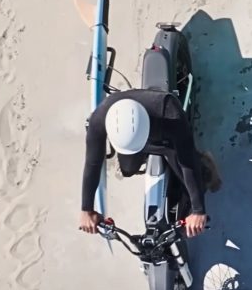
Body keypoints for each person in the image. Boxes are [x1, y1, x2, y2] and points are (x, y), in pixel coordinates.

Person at [78, 89, 220, 237]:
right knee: (128, 169)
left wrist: (198, 210)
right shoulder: (99, 119)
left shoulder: (172, 113)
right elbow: (92, 164)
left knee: (192, 174)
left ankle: (204, 163)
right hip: (142, 137)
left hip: (165, 135)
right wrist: (86, 209)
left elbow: (187, 162)